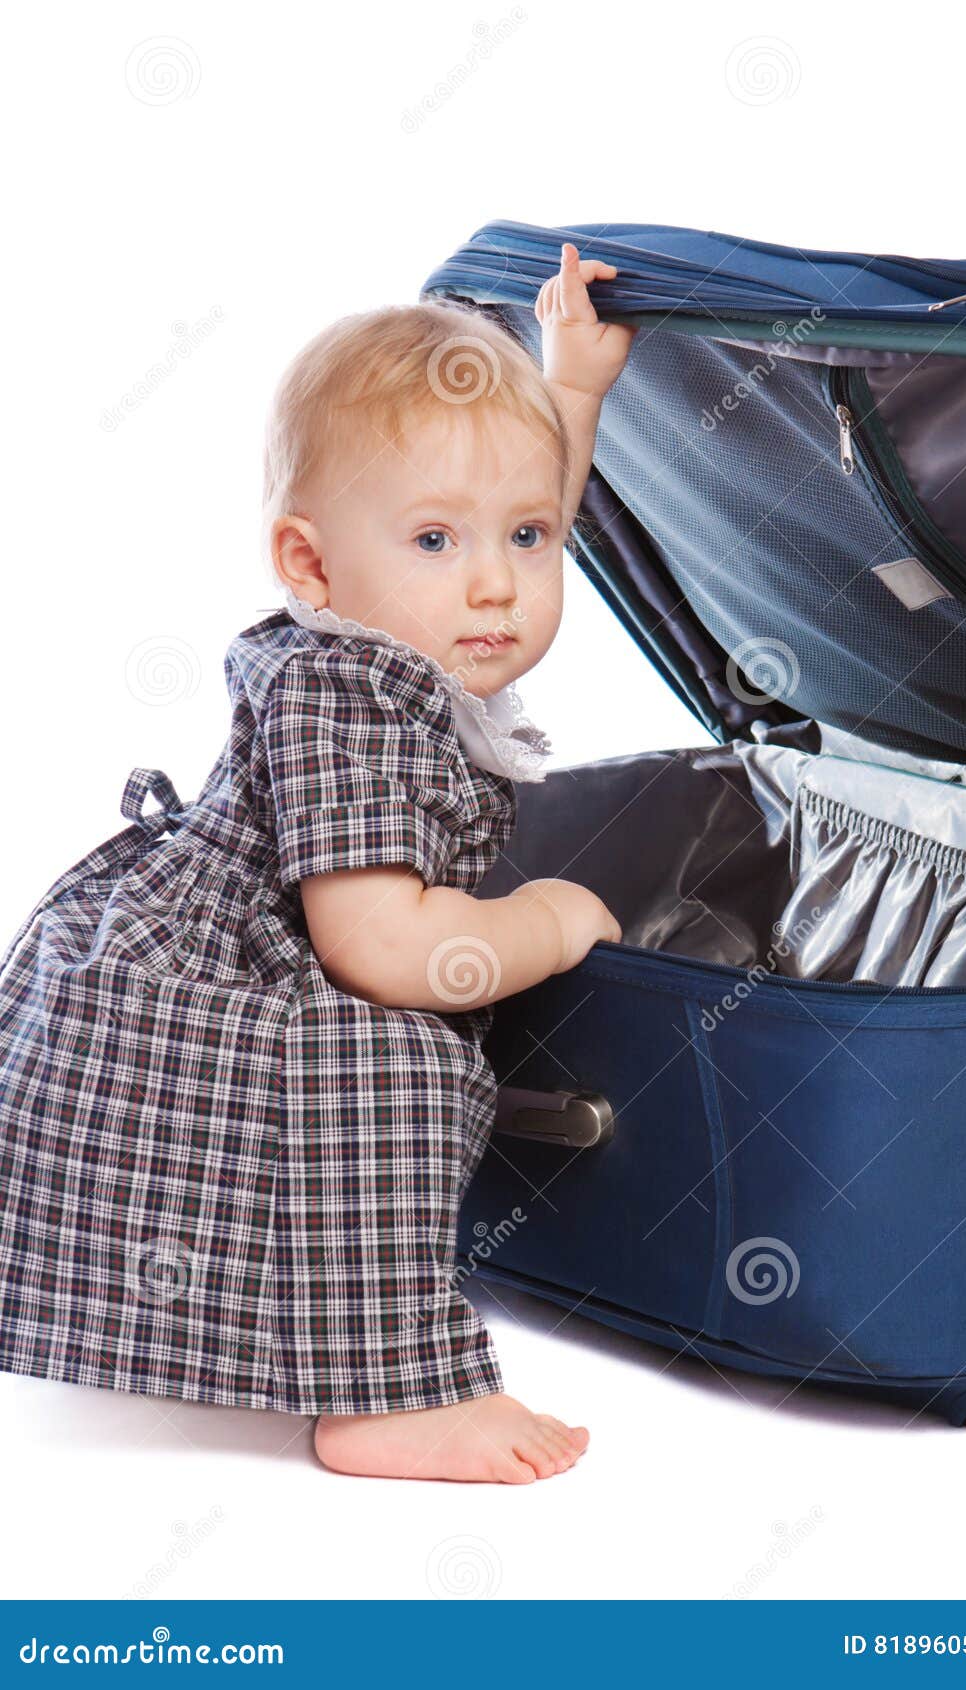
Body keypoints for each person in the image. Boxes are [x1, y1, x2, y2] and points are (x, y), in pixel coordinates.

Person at [0, 243, 631, 1483]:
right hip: (184, 1002)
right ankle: (385, 1394)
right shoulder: (345, 697)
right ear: (310, 566)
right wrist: (548, 921)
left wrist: (574, 391)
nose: (498, 581)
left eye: (530, 534)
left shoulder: (410, 639)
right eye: (438, 539)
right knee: (391, 1066)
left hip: (221, 967)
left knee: (382, 1061)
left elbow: (517, 483)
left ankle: (297, 1332)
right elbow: (380, 950)